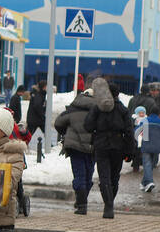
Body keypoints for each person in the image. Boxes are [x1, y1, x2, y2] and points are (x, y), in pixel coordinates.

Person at [83, 78, 134, 219]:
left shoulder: (98, 107)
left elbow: (87, 126)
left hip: (101, 145)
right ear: (118, 94)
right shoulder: (123, 109)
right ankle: (109, 204)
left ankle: (108, 206)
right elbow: (130, 132)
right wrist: (130, 151)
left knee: (104, 177)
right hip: (118, 146)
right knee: (114, 178)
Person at [54, 85, 97, 214]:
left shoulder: (74, 108)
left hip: (75, 147)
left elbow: (58, 123)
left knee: (79, 175)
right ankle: (81, 200)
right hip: (92, 147)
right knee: (88, 175)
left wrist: (65, 133)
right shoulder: (98, 111)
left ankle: (81, 204)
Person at [135, 106, 160, 193]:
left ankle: (149, 182)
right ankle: (144, 183)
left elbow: (136, 132)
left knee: (147, 164)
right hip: (157, 145)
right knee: (151, 164)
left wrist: (138, 139)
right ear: (159, 114)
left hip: (146, 145)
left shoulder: (145, 120)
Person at [26, 79, 48, 148]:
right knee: (28, 134)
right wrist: (42, 115)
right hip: (35, 119)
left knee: (46, 131)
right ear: (44, 87)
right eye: (46, 86)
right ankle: (23, 145)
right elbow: (37, 105)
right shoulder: (38, 94)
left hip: (37, 119)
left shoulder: (39, 93)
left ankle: (50, 145)